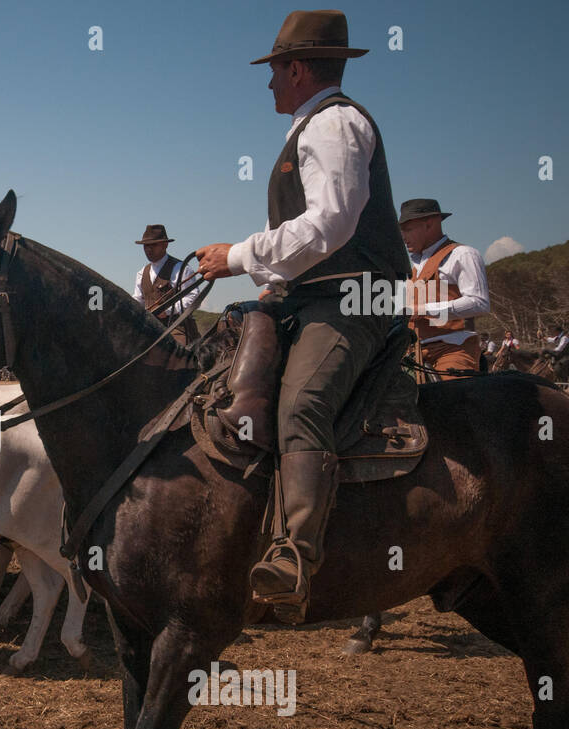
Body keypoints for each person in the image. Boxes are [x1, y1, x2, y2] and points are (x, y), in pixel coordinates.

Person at [195, 9, 409, 622]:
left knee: (302, 403)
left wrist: (237, 256)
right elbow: (297, 244)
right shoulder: (307, 129)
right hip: (308, 298)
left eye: (272, 72)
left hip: (352, 302)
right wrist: (259, 280)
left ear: (295, 68)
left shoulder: (336, 124)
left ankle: (295, 554)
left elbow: (330, 226)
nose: (267, 84)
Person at [398, 199, 489, 380]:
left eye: (407, 230)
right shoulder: (414, 267)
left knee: (451, 400)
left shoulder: (463, 254)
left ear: (430, 224)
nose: (403, 236)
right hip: (413, 353)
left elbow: (480, 303)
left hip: (453, 349)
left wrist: (423, 310)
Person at [131, 224, 200, 344]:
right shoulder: (141, 273)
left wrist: (167, 311)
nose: (148, 249)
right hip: (149, 328)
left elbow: (193, 297)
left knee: (178, 354)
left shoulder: (181, 268)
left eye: (153, 245)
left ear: (165, 245)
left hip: (177, 328)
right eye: (146, 246)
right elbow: (138, 300)